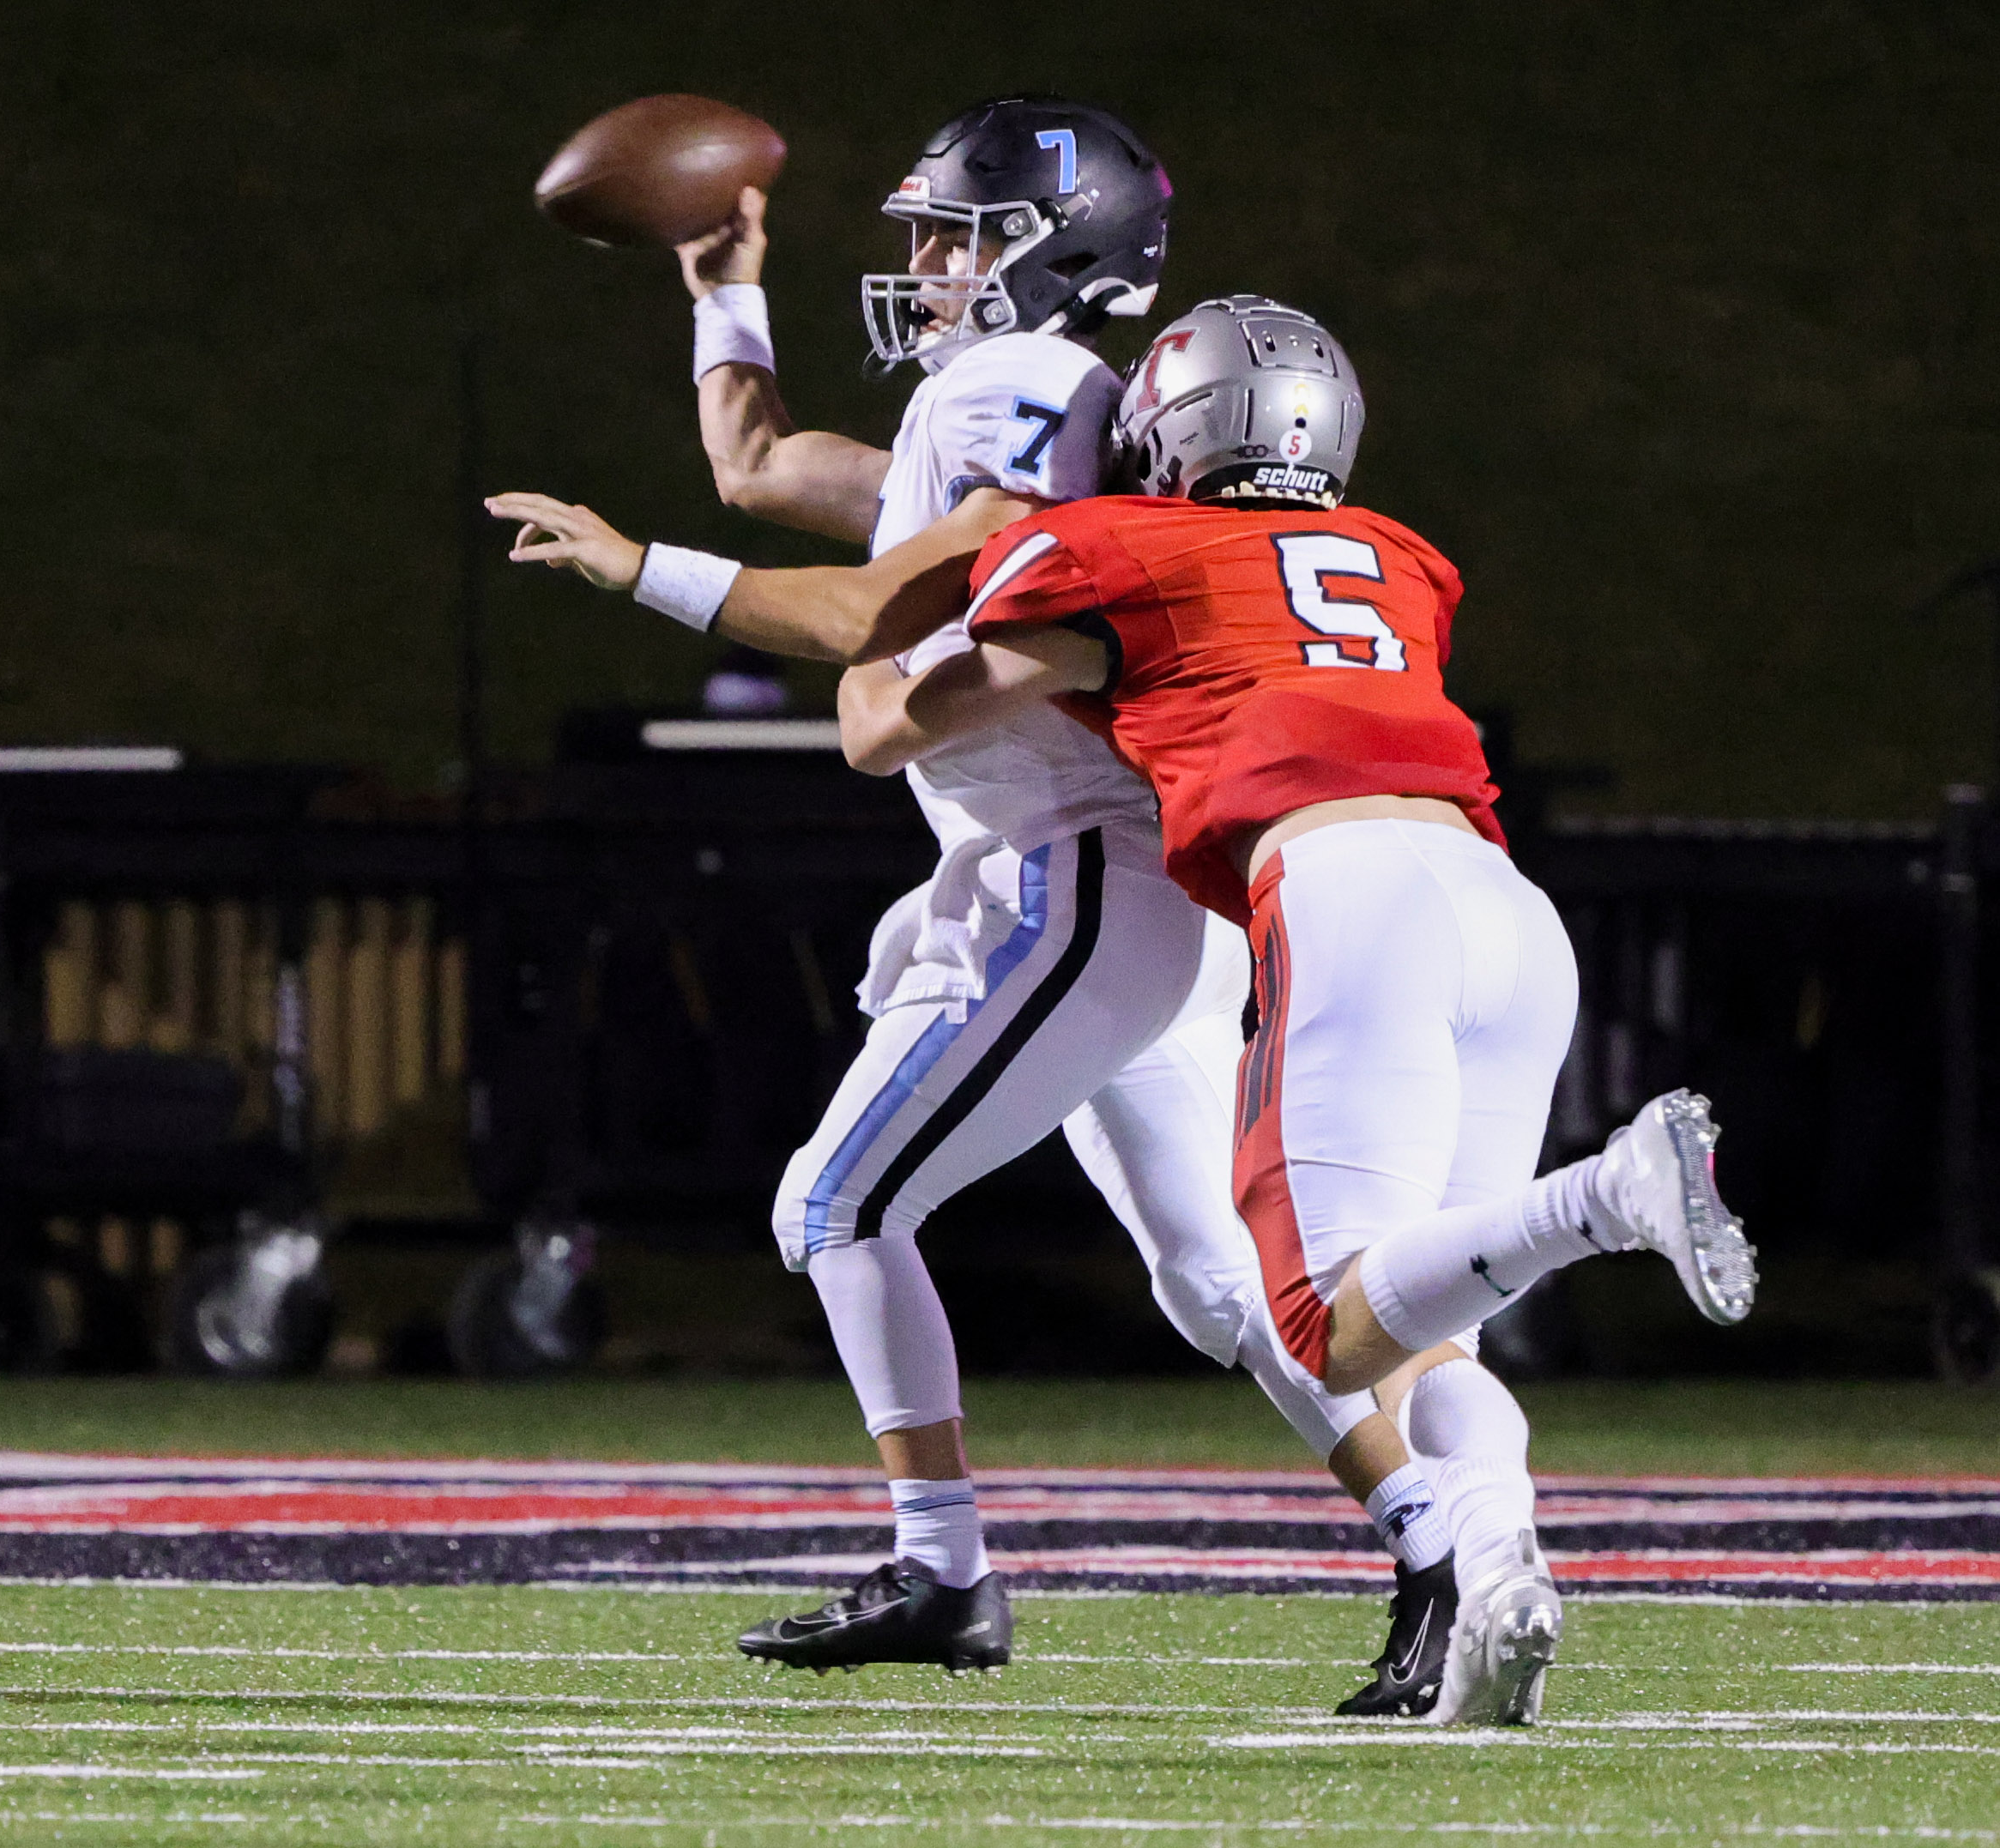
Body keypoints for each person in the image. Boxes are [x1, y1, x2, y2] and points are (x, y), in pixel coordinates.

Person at [488, 98, 1463, 1716]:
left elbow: (881, 606)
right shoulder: (1025, 392)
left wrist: (627, 566)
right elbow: (767, 465)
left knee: (837, 1205)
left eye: (956, 233)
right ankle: (1441, 1535)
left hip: (1079, 874)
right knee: (1215, 1283)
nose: (926, 263)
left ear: (1052, 250)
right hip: (1102, 875)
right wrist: (720, 288)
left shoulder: (1026, 389)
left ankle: (941, 1566)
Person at [835, 294, 1758, 1723]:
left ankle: (1607, 1194)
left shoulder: (1112, 546)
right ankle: (1497, 1569)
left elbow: (886, 719)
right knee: (1429, 1323)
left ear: (1167, 427)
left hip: (1346, 896)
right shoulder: (1403, 560)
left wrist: (891, 595)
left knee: (1330, 1325)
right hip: (1505, 908)